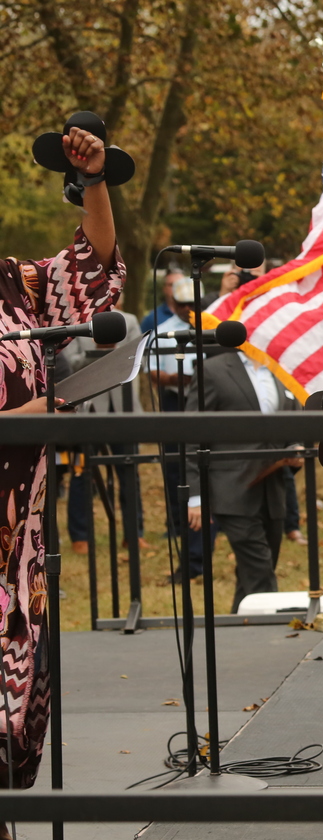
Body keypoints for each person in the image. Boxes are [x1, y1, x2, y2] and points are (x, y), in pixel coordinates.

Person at [0, 126, 124, 807]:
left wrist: (96, 180)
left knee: (16, 733)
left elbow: (93, 276)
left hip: (21, 549)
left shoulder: (14, 286)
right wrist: (42, 409)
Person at [185, 350, 300, 611]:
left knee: (261, 563)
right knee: (259, 567)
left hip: (273, 485)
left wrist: (297, 448)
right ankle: (270, 627)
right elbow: (192, 433)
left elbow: (294, 417)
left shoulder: (283, 368)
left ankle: (240, 622)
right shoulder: (213, 370)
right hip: (230, 486)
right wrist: (195, 496)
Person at [61, 310, 147, 554]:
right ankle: (80, 536)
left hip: (124, 409)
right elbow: (71, 363)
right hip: (88, 408)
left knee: (129, 472)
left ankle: (134, 534)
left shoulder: (128, 321)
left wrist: (113, 349)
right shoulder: (75, 321)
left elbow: (139, 360)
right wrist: (98, 350)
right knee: (82, 473)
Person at [150, 276, 217, 579]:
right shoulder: (162, 333)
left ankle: (200, 551)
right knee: (179, 475)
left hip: (209, 406)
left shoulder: (212, 329)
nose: (189, 309)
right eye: (183, 304)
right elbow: (153, 373)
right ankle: (187, 549)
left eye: (194, 303)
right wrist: (181, 379)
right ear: (173, 305)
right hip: (176, 403)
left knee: (206, 473)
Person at [140, 267, 182, 334]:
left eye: (180, 284)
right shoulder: (152, 318)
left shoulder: (198, 315)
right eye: (171, 285)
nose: (176, 288)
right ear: (164, 288)